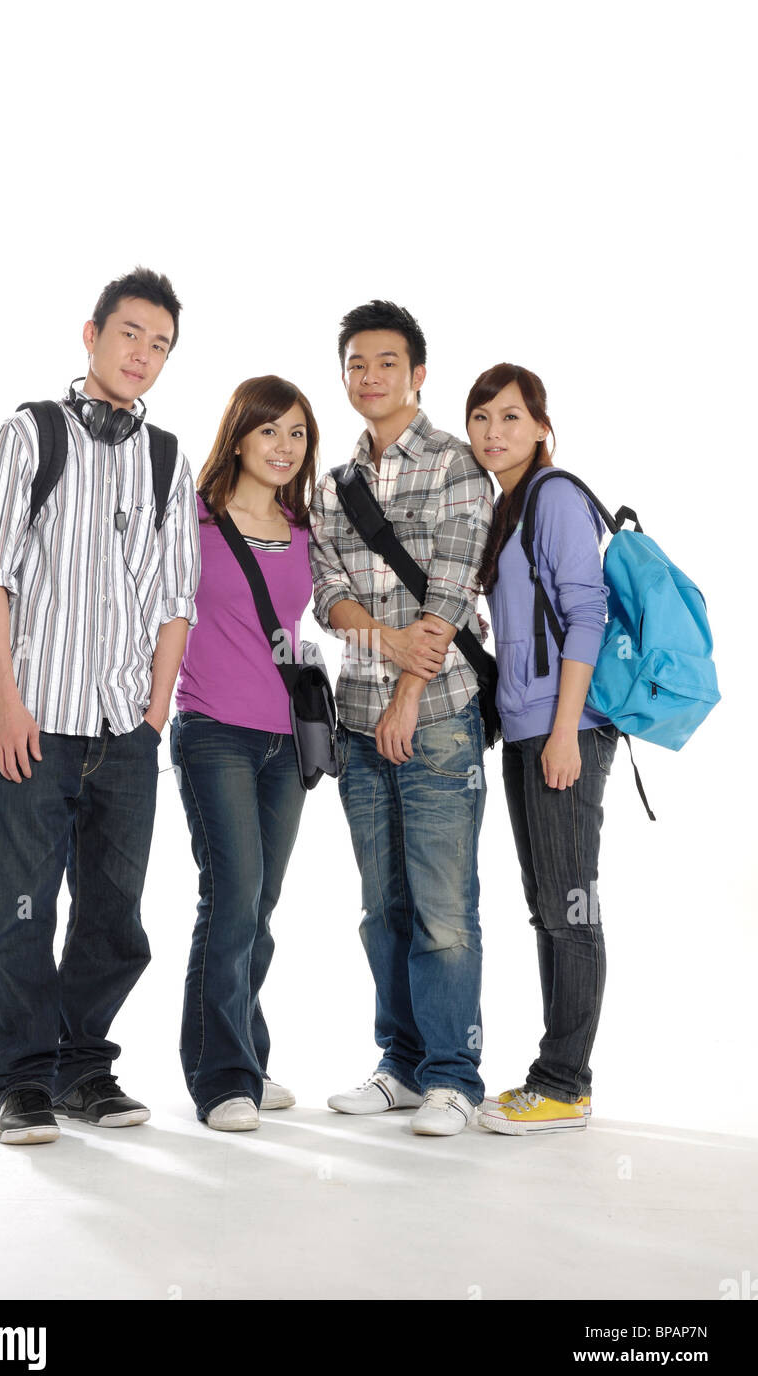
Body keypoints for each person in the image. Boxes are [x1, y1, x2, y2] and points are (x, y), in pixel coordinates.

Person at [0, 267, 200, 1144]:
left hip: (123, 729)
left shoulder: (167, 457)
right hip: (35, 719)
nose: (143, 354)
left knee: (113, 911)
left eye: (160, 344)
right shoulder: (32, 434)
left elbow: (177, 595)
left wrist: (155, 710)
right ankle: (22, 1083)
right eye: (130, 334)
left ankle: (83, 1068)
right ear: (92, 333)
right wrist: (9, 704)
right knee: (20, 906)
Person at [309, 301, 494, 1137]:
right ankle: (401, 1065)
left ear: (417, 372)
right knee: (380, 905)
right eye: (356, 363)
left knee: (442, 907)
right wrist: (381, 643)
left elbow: (450, 595)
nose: (370, 377)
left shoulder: (456, 467)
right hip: (355, 719)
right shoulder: (331, 483)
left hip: (440, 715)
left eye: (386, 362)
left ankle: (455, 1077)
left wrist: (407, 698)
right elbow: (328, 595)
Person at [465, 363, 616, 1135]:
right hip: (527, 728)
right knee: (547, 908)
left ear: (540, 428)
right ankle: (554, 1078)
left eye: (511, 418)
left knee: (570, 907)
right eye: (482, 418)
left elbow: (584, 614)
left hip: (567, 729)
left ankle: (564, 1085)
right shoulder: (507, 507)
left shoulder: (552, 497)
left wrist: (564, 731)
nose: (494, 432)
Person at [170, 376, 319, 1133]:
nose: (284, 446)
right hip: (212, 731)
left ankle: (247, 1057)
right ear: (238, 437)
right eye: (270, 431)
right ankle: (220, 1078)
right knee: (228, 900)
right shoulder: (189, 521)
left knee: (259, 906)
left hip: (286, 741)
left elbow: (327, 613)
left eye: (296, 433)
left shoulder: (304, 533)